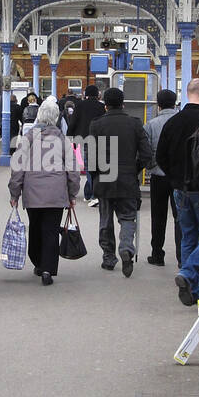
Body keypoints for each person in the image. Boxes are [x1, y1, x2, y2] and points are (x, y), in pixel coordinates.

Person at [156, 77, 199, 306]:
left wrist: (175, 177)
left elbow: (160, 158)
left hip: (180, 190)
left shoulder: (172, 123)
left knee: (188, 236)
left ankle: (192, 290)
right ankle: (188, 273)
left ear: (188, 94)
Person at [8, 97, 79, 286]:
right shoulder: (63, 140)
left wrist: (14, 193)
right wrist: (72, 194)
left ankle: (38, 262)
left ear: (39, 117)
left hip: (33, 194)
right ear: (56, 118)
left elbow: (17, 167)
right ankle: (48, 270)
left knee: (36, 228)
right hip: (56, 194)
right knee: (50, 231)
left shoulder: (28, 138)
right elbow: (72, 169)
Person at [90, 87, 152, 277]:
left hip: (104, 179)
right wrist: (134, 168)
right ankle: (126, 248)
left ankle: (109, 258)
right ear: (123, 103)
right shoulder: (134, 124)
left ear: (105, 105)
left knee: (105, 220)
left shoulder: (96, 125)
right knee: (127, 218)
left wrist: (95, 176)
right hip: (127, 179)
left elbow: (91, 157)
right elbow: (147, 154)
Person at [142, 88, 182, 267]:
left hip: (158, 176)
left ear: (158, 104)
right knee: (180, 216)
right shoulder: (183, 122)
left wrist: (151, 167)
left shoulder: (151, 124)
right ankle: (182, 256)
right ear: (175, 103)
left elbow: (147, 151)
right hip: (179, 176)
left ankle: (157, 254)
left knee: (158, 217)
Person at [71, 84, 108, 205]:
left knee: (89, 167)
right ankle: (89, 193)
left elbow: (73, 122)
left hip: (85, 139)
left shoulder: (80, 105)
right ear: (97, 94)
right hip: (100, 139)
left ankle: (93, 194)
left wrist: (72, 139)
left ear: (86, 94)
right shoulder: (102, 106)